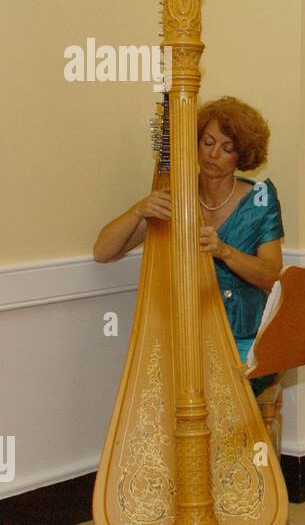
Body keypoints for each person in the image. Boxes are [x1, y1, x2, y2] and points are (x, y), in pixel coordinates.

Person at [93, 96, 283, 399]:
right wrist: (139, 210)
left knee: (215, 392)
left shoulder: (260, 200)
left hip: (244, 340)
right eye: (207, 142)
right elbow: (102, 252)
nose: (213, 153)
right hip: (184, 337)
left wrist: (224, 252)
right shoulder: (176, 196)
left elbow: (271, 276)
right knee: (167, 389)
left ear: (242, 156)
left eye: (226, 148)